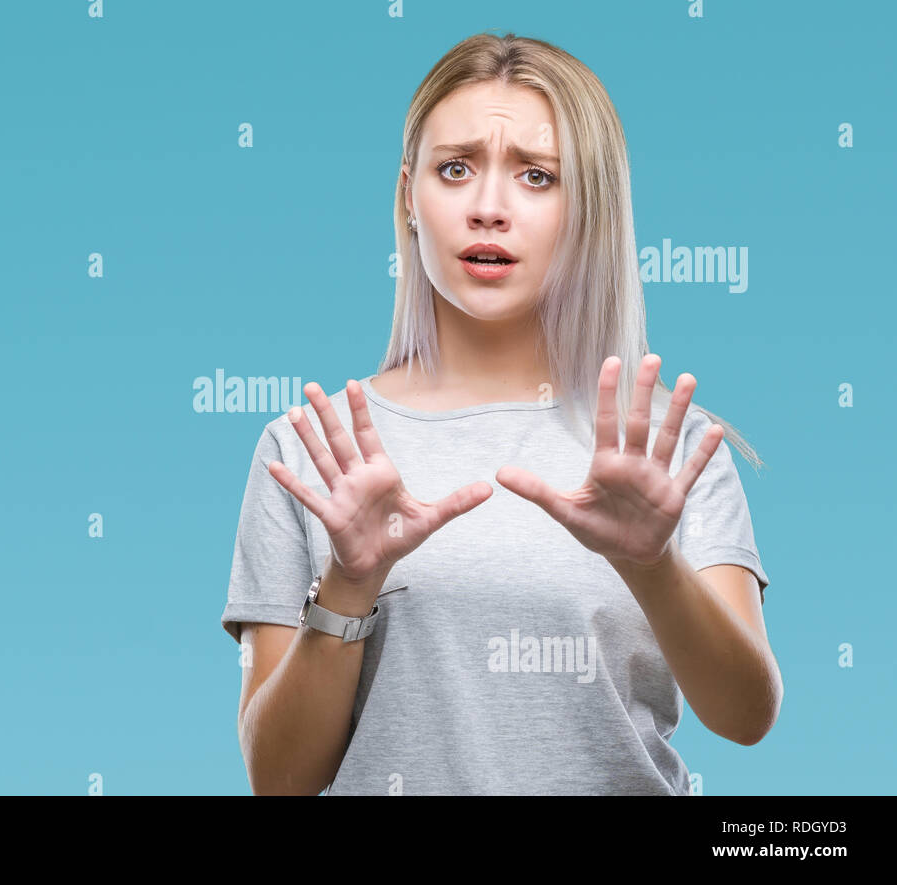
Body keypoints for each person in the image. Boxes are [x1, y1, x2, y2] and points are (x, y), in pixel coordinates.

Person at [220, 32, 781, 796]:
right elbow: (278, 778)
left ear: (589, 208)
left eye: (537, 176)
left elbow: (747, 713)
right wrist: (349, 585)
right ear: (409, 197)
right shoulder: (311, 449)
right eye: (455, 169)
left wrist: (651, 564)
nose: (488, 208)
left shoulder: (668, 448)